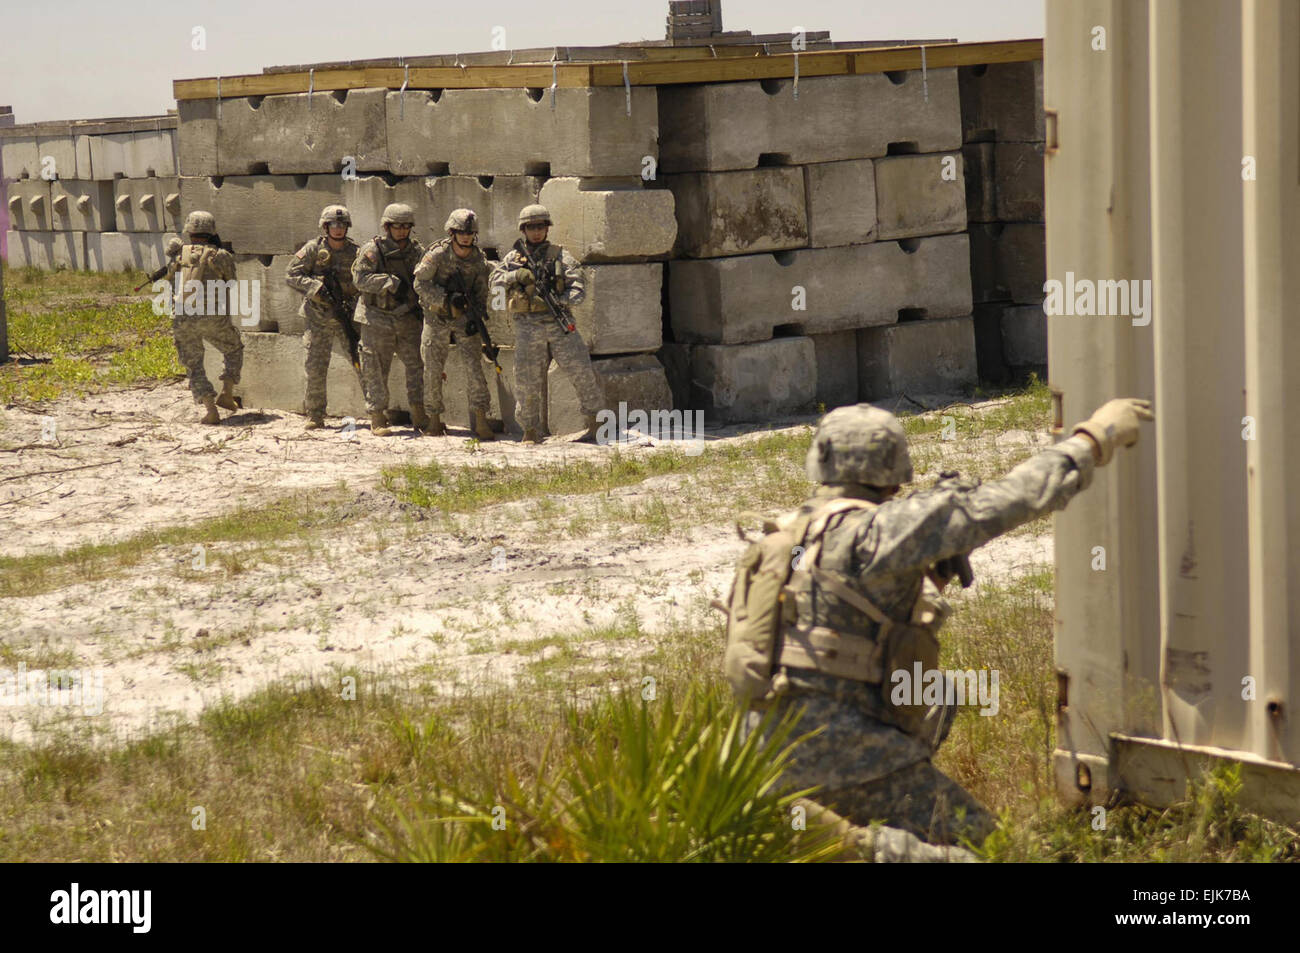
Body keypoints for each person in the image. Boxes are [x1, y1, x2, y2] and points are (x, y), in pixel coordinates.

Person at [724, 397, 1155, 852]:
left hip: (761, 756)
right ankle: (865, 849)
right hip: (849, 756)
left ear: (821, 462)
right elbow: (1013, 498)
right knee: (996, 850)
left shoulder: (779, 540)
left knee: (938, 694)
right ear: (895, 469)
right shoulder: (879, 531)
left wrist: (929, 580)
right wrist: (1093, 440)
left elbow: (832, 625)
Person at [490, 204, 604, 444]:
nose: (536, 232)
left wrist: (557, 301)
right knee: (527, 380)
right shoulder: (514, 258)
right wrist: (514, 276)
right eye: (531, 227)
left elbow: (579, 290)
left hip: (559, 323)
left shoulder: (560, 256)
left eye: (541, 227)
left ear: (547, 228)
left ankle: (595, 423)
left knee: (582, 370)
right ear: (524, 229)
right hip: (528, 327)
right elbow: (495, 287)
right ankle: (530, 430)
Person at [413, 208, 495, 440]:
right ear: (452, 233)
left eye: (469, 233)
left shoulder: (478, 259)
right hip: (436, 317)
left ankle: (481, 419)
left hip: (464, 319)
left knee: (474, 368)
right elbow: (419, 284)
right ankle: (434, 420)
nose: (466, 237)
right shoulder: (437, 255)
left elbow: (481, 290)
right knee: (432, 369)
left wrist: (476, 316)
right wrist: (445, 300)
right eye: (461, 232)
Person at [350, 203, 427, 436]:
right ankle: (377, 416)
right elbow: (359, 279)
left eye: (406, 226)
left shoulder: (417, 252)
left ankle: (419, 412)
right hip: (377, 318)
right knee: (374, 367)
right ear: (387, 227)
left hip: (407, 317)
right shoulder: (372, 250)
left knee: (416, 366)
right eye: (397, 226)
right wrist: (389, 282)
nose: (402, 231)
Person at [285, 204, 361, 429]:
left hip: (346, 316)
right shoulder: (312, 249)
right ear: (325, 227)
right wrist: (315, 288)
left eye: (342, 225)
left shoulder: (355, 251)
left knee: (362, 362)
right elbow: (291, 275)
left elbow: (362, 280)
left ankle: (376, 412)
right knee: (315, 367)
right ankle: (315, 415)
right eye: (334, 225)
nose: (338, 229)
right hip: (317, 318)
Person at [166, 210, 241, 425]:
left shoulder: (179, 255)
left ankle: (210, 410)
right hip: (212, 316)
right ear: (212, 230)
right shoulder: (221, 256)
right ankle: (226, 392)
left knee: (194, 364)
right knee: (234, 348)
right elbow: (231, 282)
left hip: (183, 317)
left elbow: (171, 282)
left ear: (189, 231)